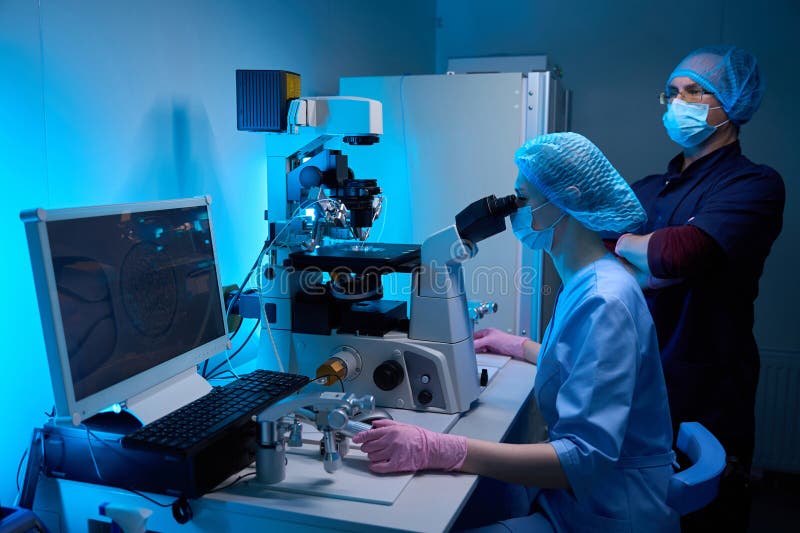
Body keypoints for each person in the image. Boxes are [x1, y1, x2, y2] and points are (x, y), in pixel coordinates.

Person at [354, 132, 680, 532]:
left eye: (521, 198)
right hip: (584, 499)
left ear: (569, 198)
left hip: (608, 514)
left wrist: (440, 449)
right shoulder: (589, 279)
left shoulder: (604, 300)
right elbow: (584, 367)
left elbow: (581, 457)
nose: (513, 214)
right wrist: (520, 345)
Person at [609, 45, 785, 531]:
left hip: (705, 386)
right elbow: (596, 250)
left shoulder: (754, 185)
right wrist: (639, 254)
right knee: (634, 508)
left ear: (731, 104)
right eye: (671, 92)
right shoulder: (648, 187)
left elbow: (678, 254)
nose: (677, 102)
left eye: (693, 90)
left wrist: (637, 249)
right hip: (636, 374)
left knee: (705, 511)